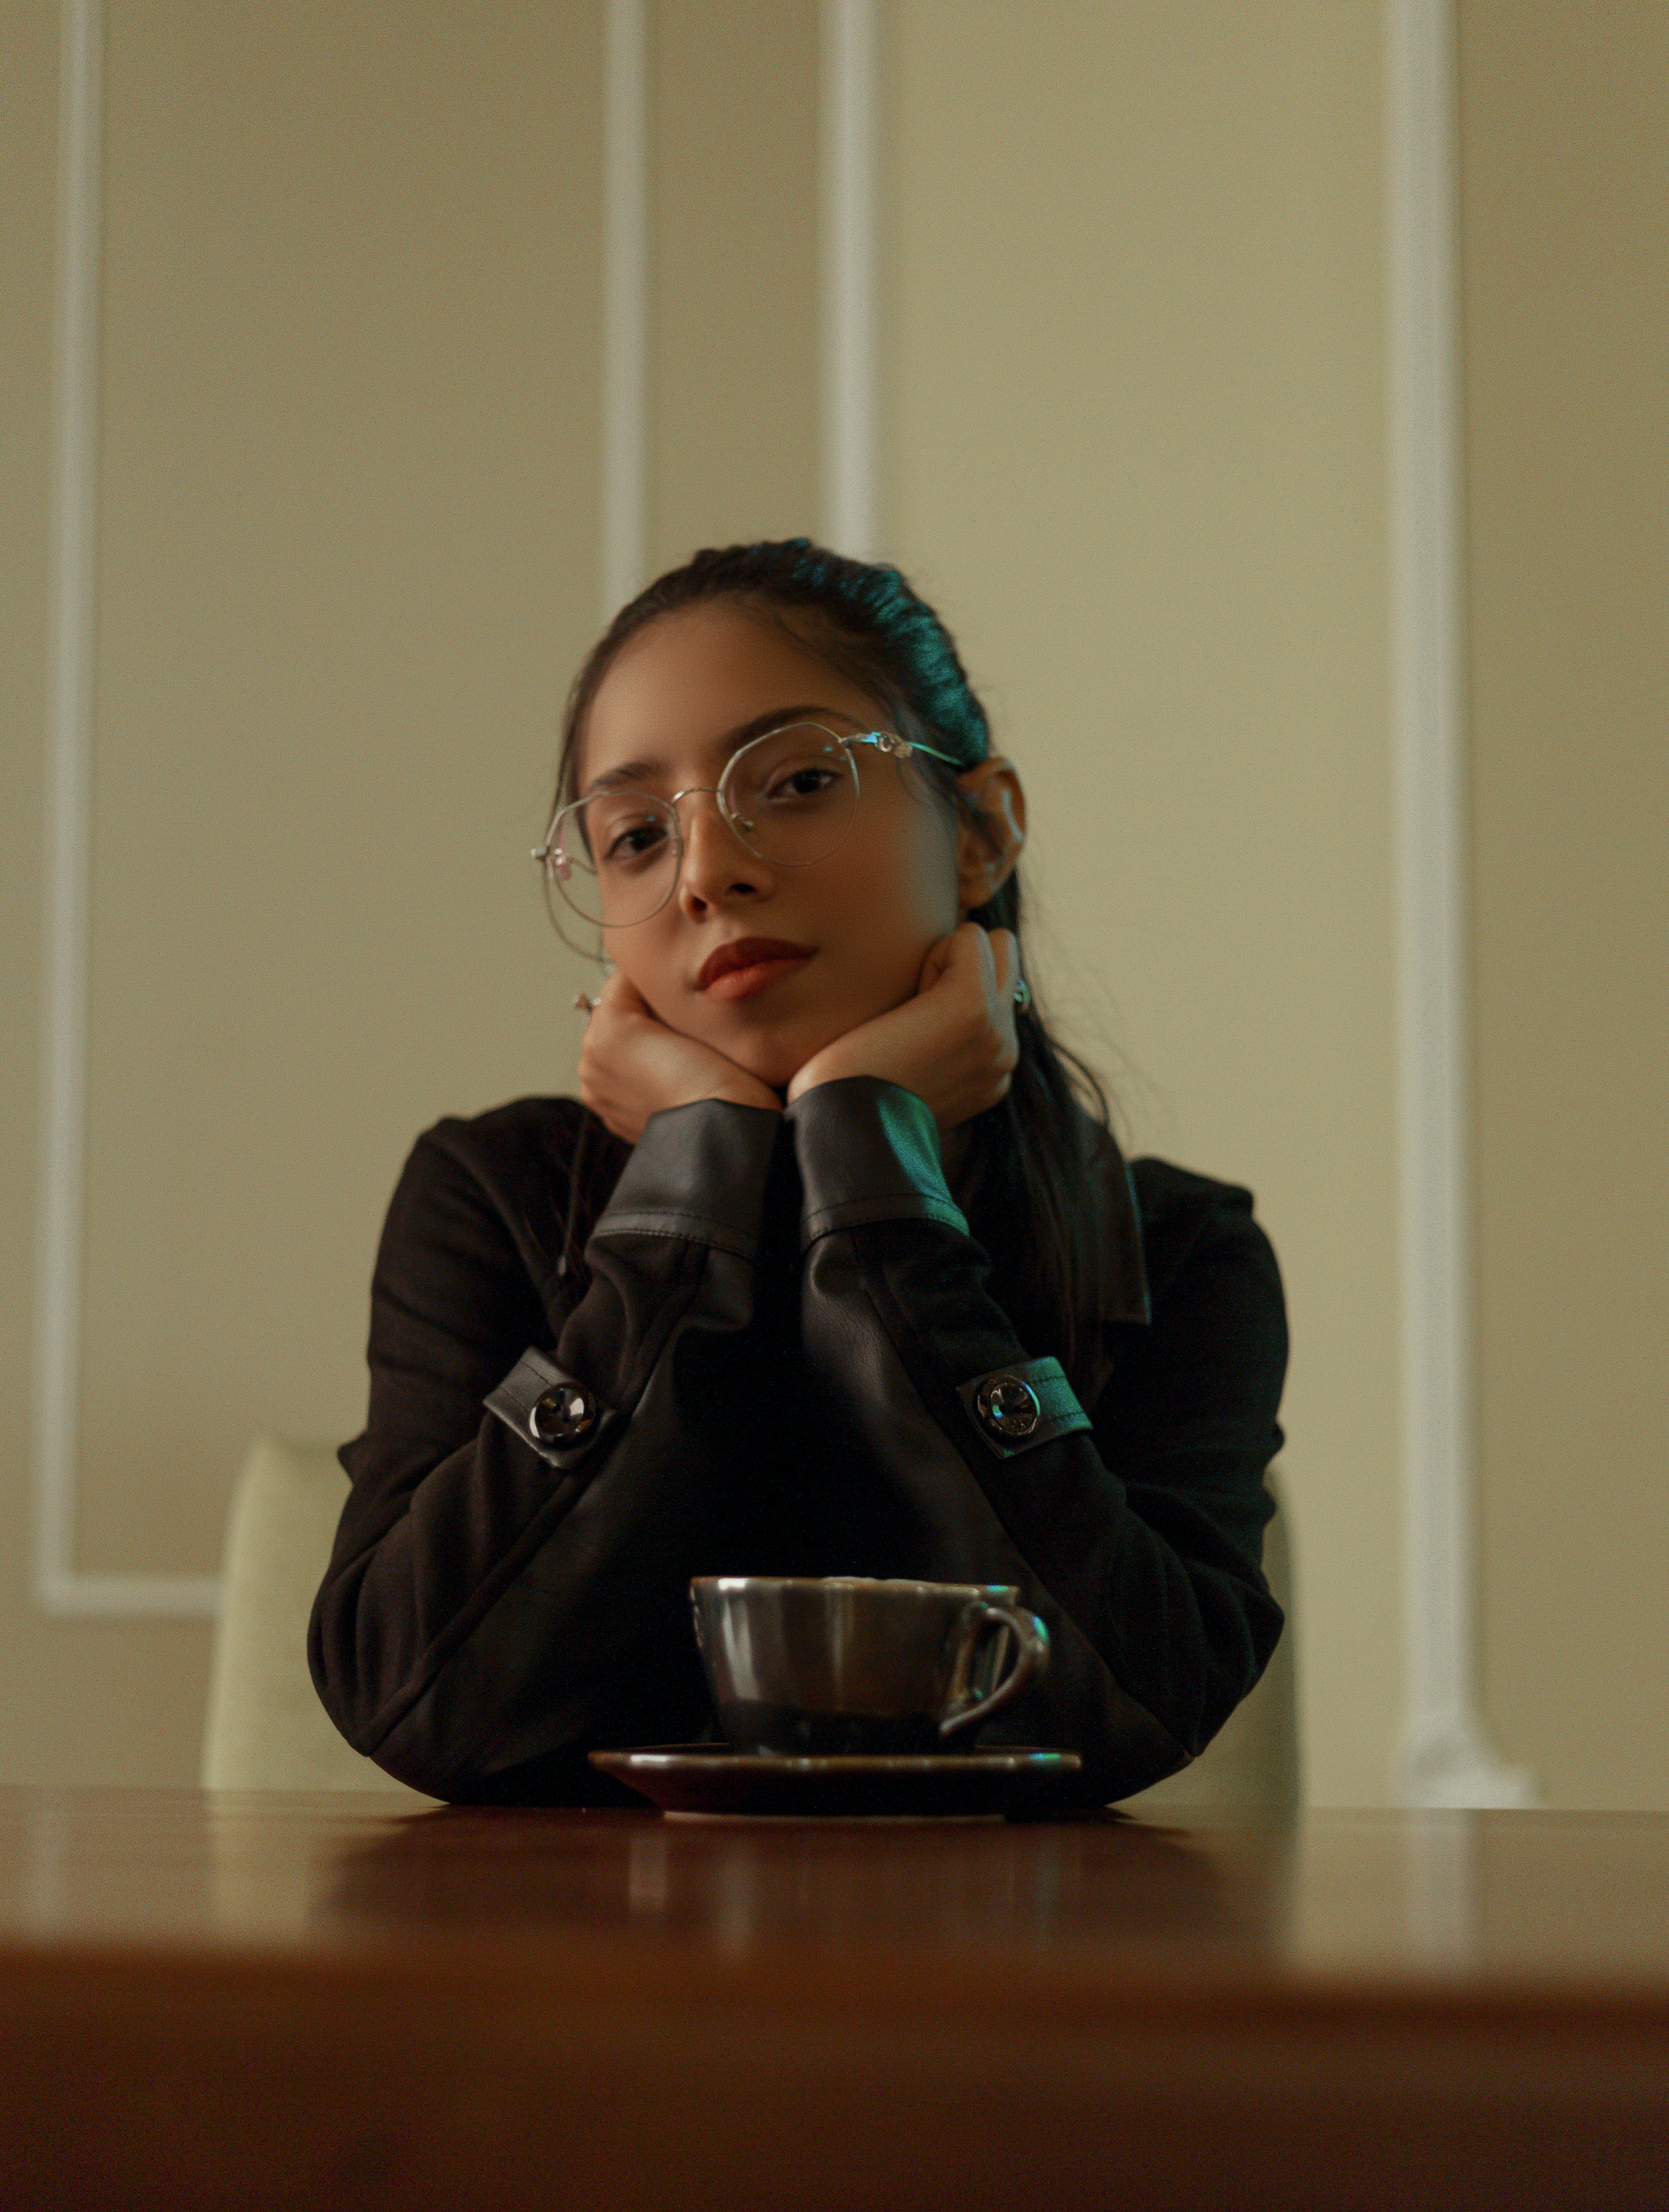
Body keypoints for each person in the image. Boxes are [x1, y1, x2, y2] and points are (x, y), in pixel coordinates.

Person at [308, 538, 1289, 1807]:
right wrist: (692, 1194)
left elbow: (1133, 1706)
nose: (708, 871)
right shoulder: (490, 1193)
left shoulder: (1177, 1246)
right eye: (637, 835)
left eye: (801, 781)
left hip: (1000, 1933)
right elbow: (414, 1696)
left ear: (981, 831)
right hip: (574, 1932)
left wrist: (871, 1182)